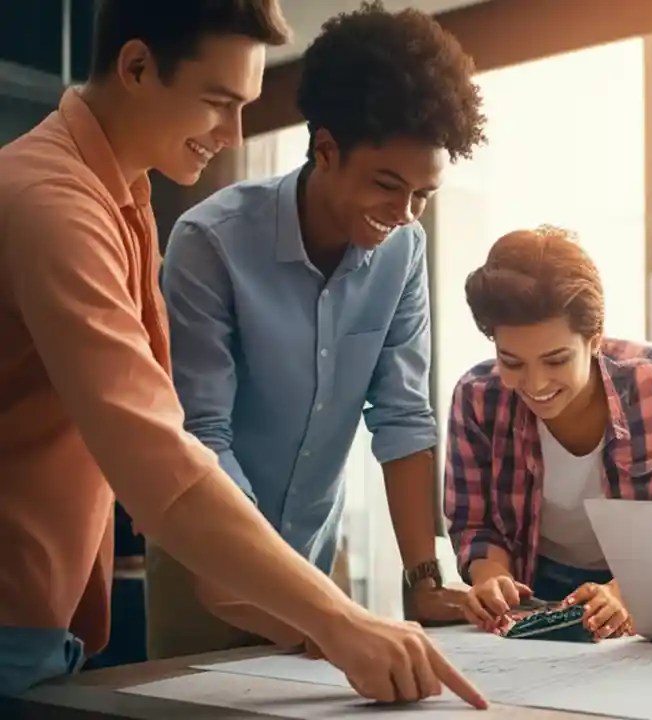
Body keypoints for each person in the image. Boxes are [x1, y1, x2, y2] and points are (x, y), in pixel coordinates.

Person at [0, 0, 483, 707]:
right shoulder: (59, 205)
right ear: (136, 67)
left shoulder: (120, 198)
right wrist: (337, 618)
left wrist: (405, 585)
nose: (232, 135)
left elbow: (403, 414)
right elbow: (161, 458)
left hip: (40, 623)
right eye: (218, 103)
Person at [153, 1, 487, 660]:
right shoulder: (210, 244)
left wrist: (423, 580)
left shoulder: (405, 249)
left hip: (317, 564)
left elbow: (402, 416)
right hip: (210, 574)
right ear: (326, 148)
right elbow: (204, 437)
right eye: (388, 185)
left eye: (424, 194)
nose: (406, 213)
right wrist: (283, 592)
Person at [445, 226, 652, 640]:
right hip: (534, 589)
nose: (535, 383)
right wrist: (490, 577)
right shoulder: (477, 396)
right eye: (512, 361)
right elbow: (474, 521)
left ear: (594, 339)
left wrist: (626, 592)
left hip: (647, 584)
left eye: (555, 361)